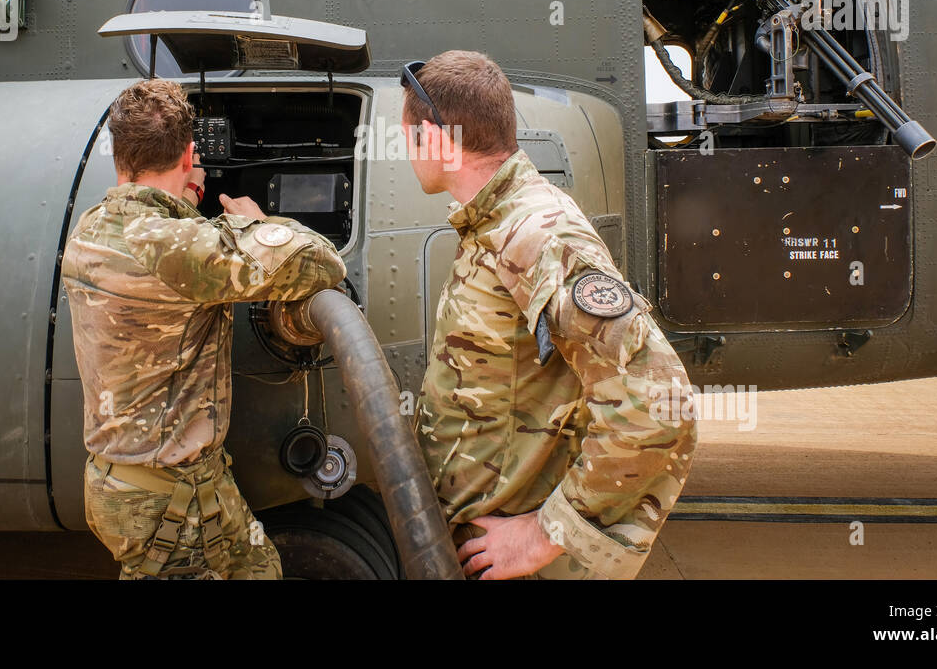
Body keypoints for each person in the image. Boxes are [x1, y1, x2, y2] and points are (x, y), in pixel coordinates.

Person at [402, 50, 698, 580]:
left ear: (438, 140)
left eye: (408, 136)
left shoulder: (537, 233)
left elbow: (659, 402)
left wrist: (547, 534)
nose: (405, 152)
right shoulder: (494, 224)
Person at [62, 79, 345, 579]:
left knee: (260, 568)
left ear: (119, 156)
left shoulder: (90, 228)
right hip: (169, 496)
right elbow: (321, 263)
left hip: (127, 480)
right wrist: (254, 224)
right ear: (190, 152)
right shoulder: (176, 247)